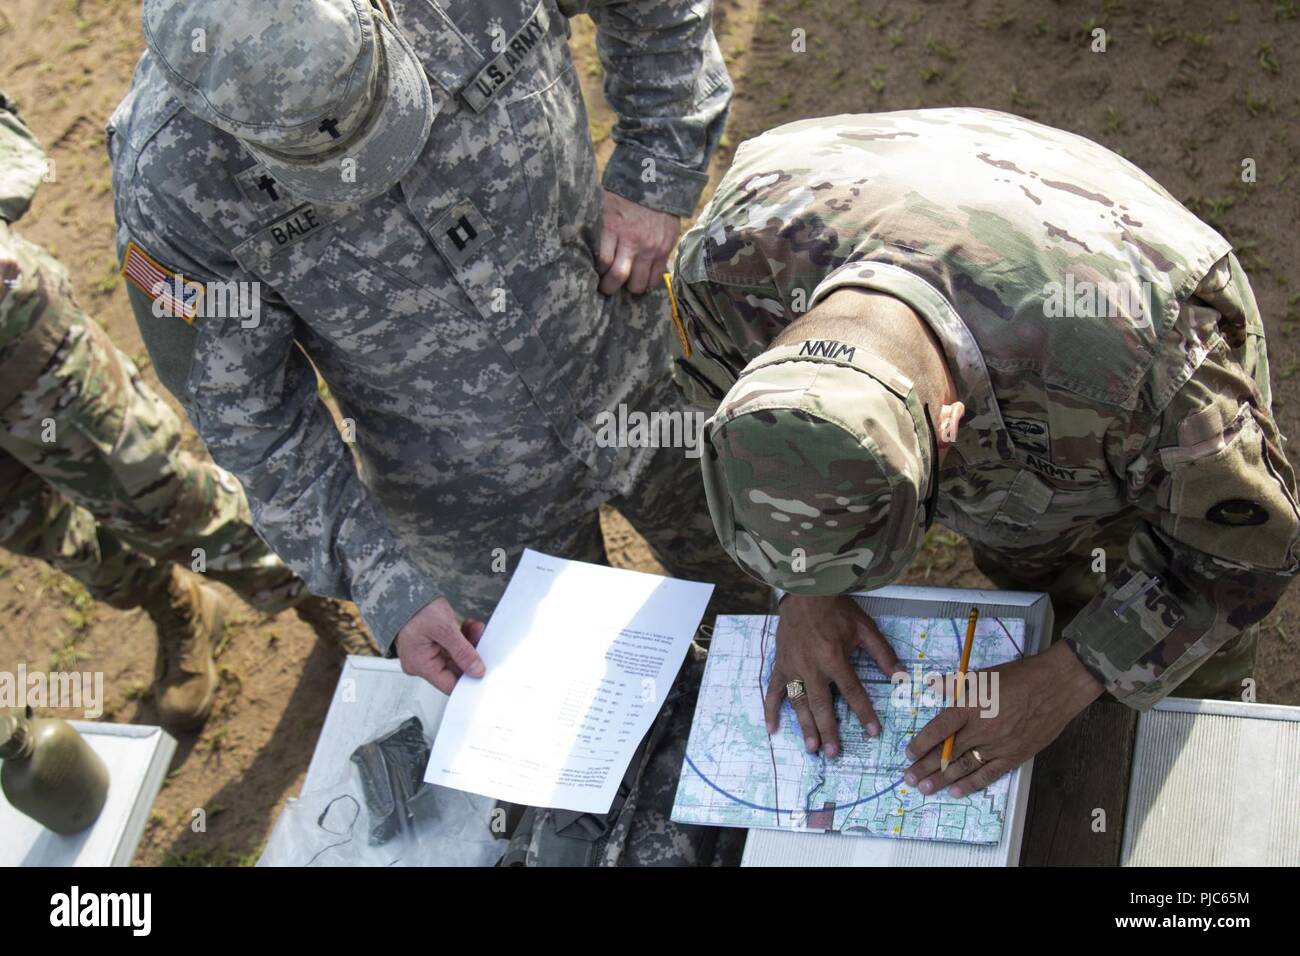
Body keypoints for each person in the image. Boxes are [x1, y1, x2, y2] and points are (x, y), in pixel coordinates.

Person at [110, 0, 763, 864]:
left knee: (775, 624)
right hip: (466, 497)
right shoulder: (169, 181)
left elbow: (657, 13)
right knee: (581, 771)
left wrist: (656, 172)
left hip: (645, 374)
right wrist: (382, 579)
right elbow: (252, 417)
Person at [670, 107, 1300, 801]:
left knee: (1182, 691)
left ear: (950, 429)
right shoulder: (721, 279)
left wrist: (1075, 674)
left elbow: (1244, 548)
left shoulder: (1146, 371)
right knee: (1031, 552)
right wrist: (804, 591)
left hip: (1106, 267)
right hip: (911, 196)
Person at [0, 92, 376, 735]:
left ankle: (308, 588)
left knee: (155, 497)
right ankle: (176, 604)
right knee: (42, 531)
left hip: (13, 351)